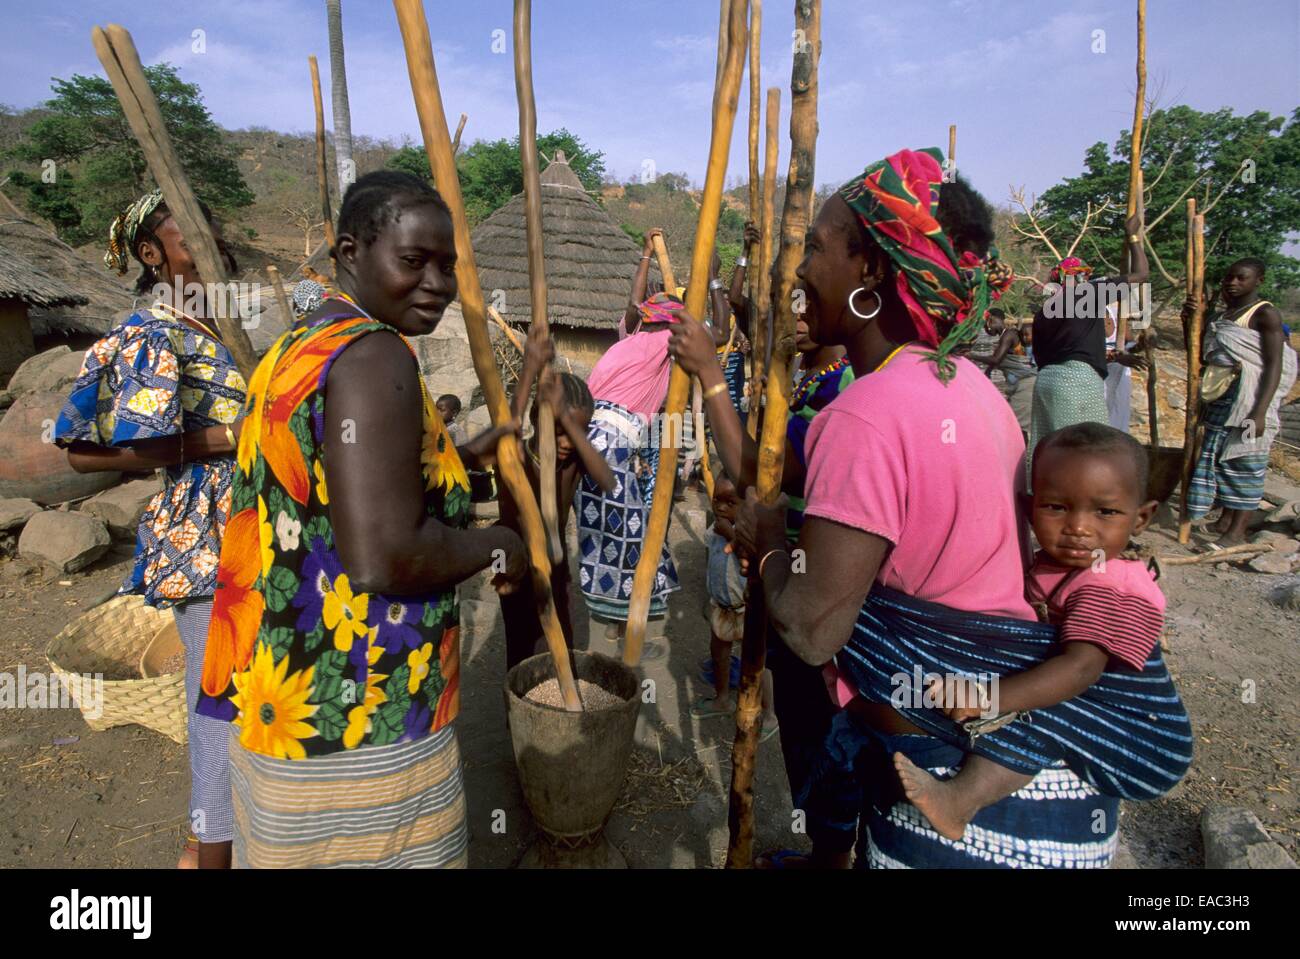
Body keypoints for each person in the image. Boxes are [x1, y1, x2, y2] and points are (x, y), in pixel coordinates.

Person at [722, 146, 1134, 868]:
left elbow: (813, 629)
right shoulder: (977, 393)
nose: (799, 270)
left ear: (870, 273)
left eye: (817, 248)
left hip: (952, 799)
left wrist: (767, 539)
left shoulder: (865, 414)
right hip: (1045, 787)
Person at [196, 170, 527, 868]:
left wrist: (465, 454)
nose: (437, 282)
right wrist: (498, 544)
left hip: (280, 716)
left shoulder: (293, 352)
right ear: (349, 252)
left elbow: (330, 496)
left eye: (448, 265)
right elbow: (383, 554)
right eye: (414, 261)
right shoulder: (376, 355)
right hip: (361, 725)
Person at [54, 189, 246, 870]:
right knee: (217, 699)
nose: (208, 241)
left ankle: (231, 839)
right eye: (187, 233)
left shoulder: (228, 326)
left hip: (255, 531)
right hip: (207, 538)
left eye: (211, 228)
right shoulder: (151, 331)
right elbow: (80, 449)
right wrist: (219, 438)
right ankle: (205, 851)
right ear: (149, 253)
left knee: (246, 694)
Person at [895, 423, 1191, 840]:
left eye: (1105, 512)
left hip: (1144, 741)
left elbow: (1081, 671)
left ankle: (960, 800)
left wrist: (986, 698)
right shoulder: (1050, 567)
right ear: (1028, 507)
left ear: (1142, 518)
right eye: (1057, 508)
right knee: (1032, 701)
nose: (1079, 528)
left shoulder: (1112, 585)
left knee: (1032, 707)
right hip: (1103, 721)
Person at [498, 324, 615, 671]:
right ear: (537, 417)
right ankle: (517, 718)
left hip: (557, 566)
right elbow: (508, 424)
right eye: (559, 432)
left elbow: (607, 480)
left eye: (576, 433)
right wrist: (530, 371)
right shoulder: (517, 455)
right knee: (520, 652)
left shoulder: (574, 463)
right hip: (518, 567)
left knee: (560, 644)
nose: (566, 442)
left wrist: (566, 419)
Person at [577, 293, 683, 641]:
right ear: (668, 324)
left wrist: (645, 256)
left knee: (605, 528)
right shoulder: (662, 341)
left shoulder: (628, 343)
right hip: (610, 441)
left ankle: (616, 616)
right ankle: (624, 618)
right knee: (632, 530)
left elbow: (632, 306)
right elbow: (716, 337)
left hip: (593, 437)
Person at [1186, 258, 1297, 545]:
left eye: (1241, 278)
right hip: (1221, 399)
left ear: (1258, 280)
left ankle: (1236, 533)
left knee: (1245, 460)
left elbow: (1274, 365)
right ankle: (1225, 521)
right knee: (1220, 460)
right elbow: (1202, 356)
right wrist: (1191, 320)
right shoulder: (1225, 316)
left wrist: (1259, 412)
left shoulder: (1265, 314)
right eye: (1229, 277)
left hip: (1248, 402)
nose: (1232, 283)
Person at [1028, 237, 1148, 484]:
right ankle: (1077, 499)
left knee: (1050, 448)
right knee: (1086, 450)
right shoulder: (1088, 294)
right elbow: (1141, 275)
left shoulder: (1044, 313)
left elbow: (1061, 352)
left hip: (1046, 383)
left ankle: (1044, 500)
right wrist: (1134, 236)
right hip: (1078, 382)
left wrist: (1113, 356)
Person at [690, 470, 777, 740]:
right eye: (717, 500)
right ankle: (722, 699)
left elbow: (747, 553)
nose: (721, 507)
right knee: (719, 652)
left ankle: (770, 714)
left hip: (747, 608)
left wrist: (730, 533)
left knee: (758, 663)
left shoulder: (748, 532)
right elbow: (712, 559)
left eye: (730, 502)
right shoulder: (715, 527)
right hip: (722, 605)